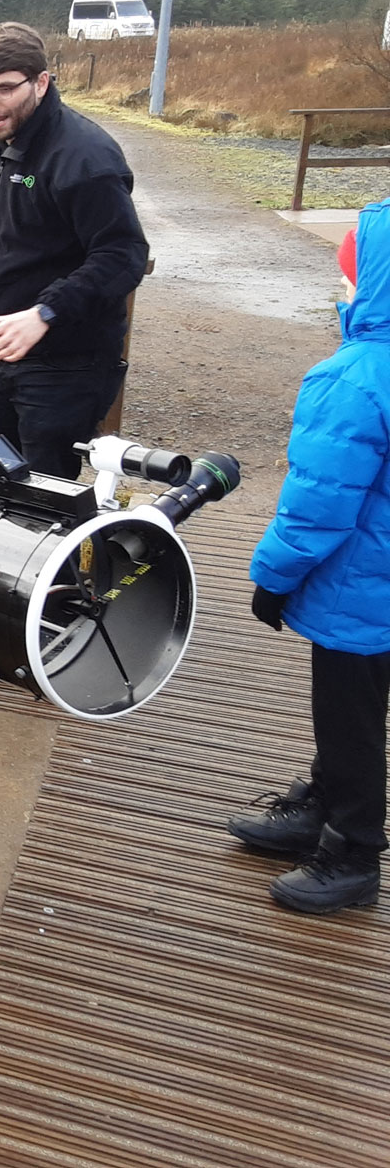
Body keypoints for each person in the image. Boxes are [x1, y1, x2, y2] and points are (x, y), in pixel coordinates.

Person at [229, 203, 390, 914]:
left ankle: (352, 852)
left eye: (351, 273)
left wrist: (273, 576)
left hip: (361, 588)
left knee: (348, 716)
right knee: (358, 710)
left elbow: (318, 503)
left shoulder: (355, 377)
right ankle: (322, 806)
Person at [0, 21, 149, 480]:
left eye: (4, 89)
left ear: (41, 82)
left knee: (48, 502)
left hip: (67, 364)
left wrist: (45, 313)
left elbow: (123, 255)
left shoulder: (84, 156)